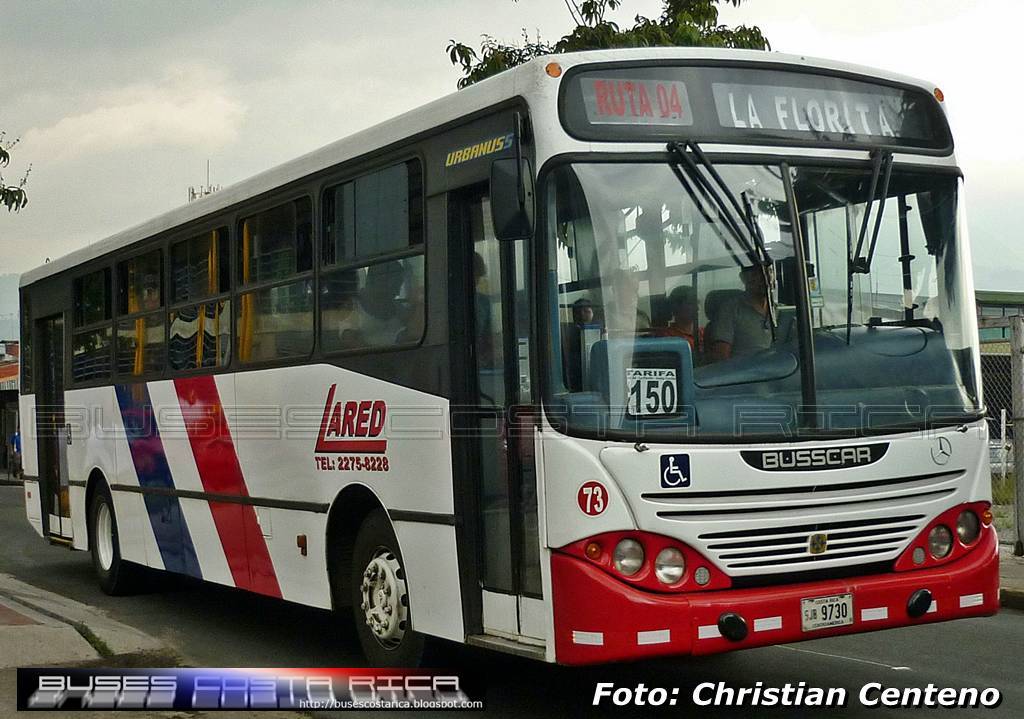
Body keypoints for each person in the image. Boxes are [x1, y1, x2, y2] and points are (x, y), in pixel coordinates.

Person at [708, 265, 773, 361]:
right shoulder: (730, 310)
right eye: (756, 273)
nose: (764, 278)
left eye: (769, 271)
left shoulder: (781, 311)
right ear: (743, 278)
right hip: (746, 369)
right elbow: (722, 358)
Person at [659, 285, 703, 354]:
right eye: (691, 303)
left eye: (697, 303)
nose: (697, 308)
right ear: (676, 307)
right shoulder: (667, 337)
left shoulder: (705, 332)